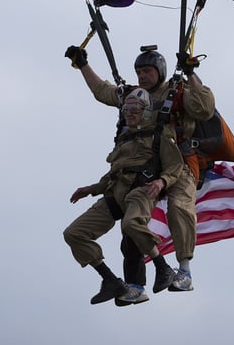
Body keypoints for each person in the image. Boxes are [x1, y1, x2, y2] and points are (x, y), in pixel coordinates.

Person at [65, 44, 215, 296]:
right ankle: (134, 285)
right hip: (140, 165)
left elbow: (205, 108)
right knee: (130, 223)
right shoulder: (132, 95)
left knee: (179, 206)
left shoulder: (177, 91)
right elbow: (102, 91)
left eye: (147, 71)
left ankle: (184, 271)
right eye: (139, 72)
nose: (142, 76)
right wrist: (83, 65)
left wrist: (191, 73)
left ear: (160, 71)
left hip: (175, 161)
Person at [63, 88, 183, 304]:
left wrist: (162, 181)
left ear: (146, 110)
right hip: (115, 191)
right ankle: (110, 280)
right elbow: (115, 171)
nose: (130, 112)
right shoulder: (124, 137)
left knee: (131, 224)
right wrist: (92, 188)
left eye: (135, 108)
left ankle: (163, 268)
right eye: (127, 108)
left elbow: (175, 165)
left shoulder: (159, 134)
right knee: (73, 233)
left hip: (142, 191)